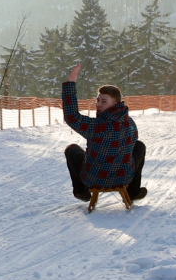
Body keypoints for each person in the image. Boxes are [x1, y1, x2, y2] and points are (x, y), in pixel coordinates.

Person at [61, 63, 147, 203]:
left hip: (94, 178)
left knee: (72, 150)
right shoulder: (130, 123)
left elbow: (72, 117)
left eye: (104, 101)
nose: (98, 104)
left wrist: (71, 81)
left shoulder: (97, 126)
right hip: (124, 177)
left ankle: (80, 191)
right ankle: (133, 191)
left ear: (115, 103)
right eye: (98, 100)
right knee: (139, 146)